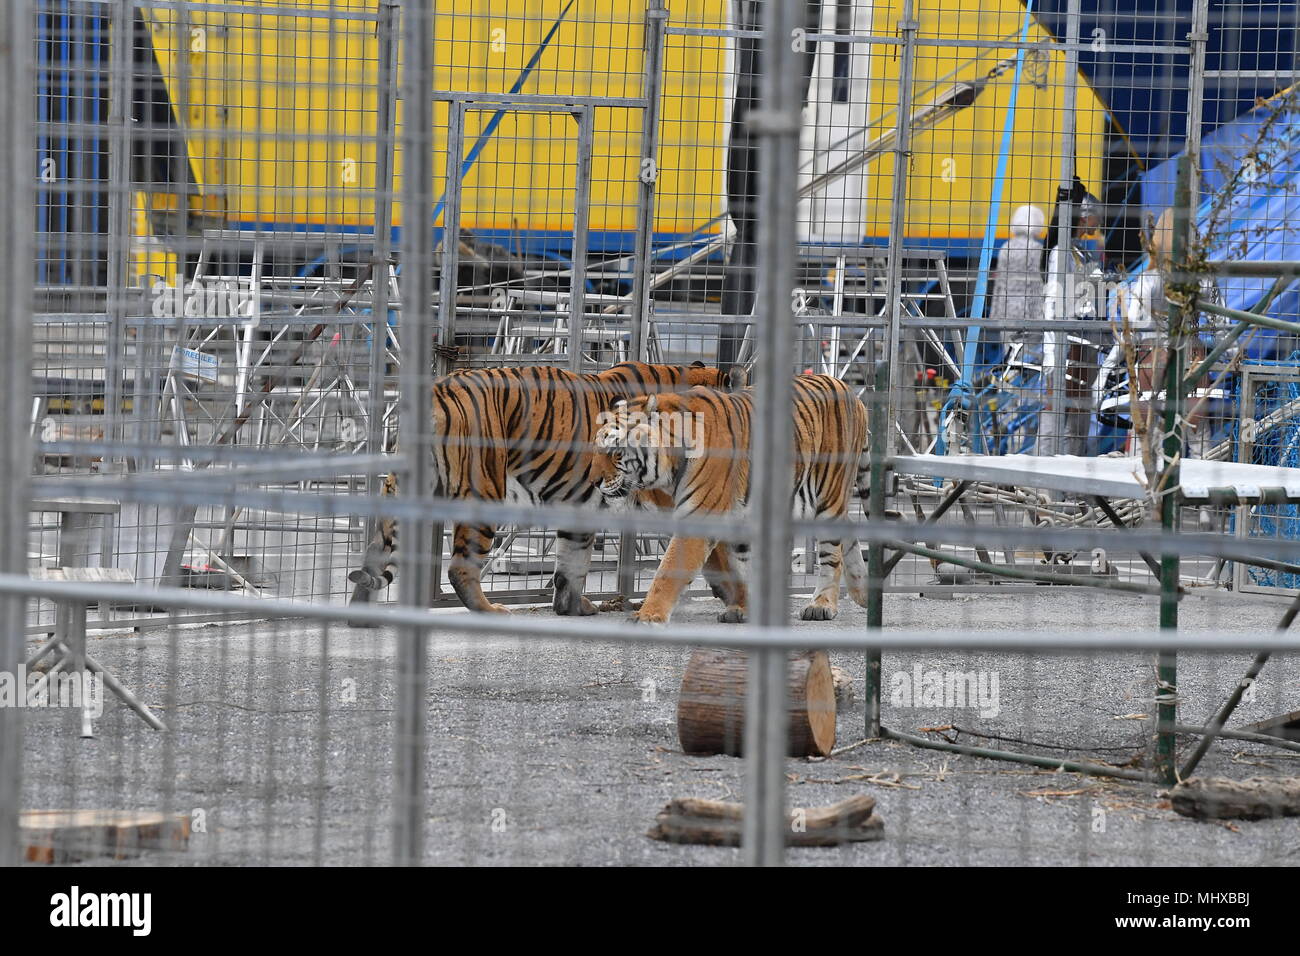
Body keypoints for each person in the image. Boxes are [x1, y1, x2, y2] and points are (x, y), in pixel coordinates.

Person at [1042, 182, 1106, 456]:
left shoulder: (1080, 253)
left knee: (1078, 421)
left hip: (1084, 345)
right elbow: (1056, 301)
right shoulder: (1061, 253)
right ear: (1083, 216)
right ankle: (1041, 482)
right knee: (1055, 416)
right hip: (1064, 344)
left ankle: (1070, 484)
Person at [989, 204, 1047, 359]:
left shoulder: (1005, 247)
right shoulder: (1037, 249)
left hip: (1006, 309)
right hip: (1028, 310)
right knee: (1028, 357)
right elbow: (1037, 285)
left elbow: (999, 283)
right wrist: (1041, 316)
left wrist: (994, 314)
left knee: (1009, 355)